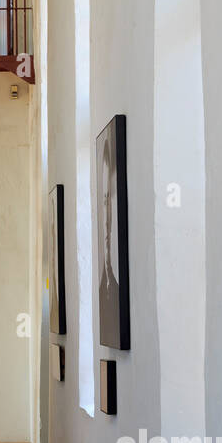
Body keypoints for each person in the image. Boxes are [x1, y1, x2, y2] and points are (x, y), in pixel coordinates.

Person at [99, 133, 121, 348]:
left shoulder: (116, 286)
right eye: (103, 200)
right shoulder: (101, 290)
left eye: (109, 197)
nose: (107, 213)